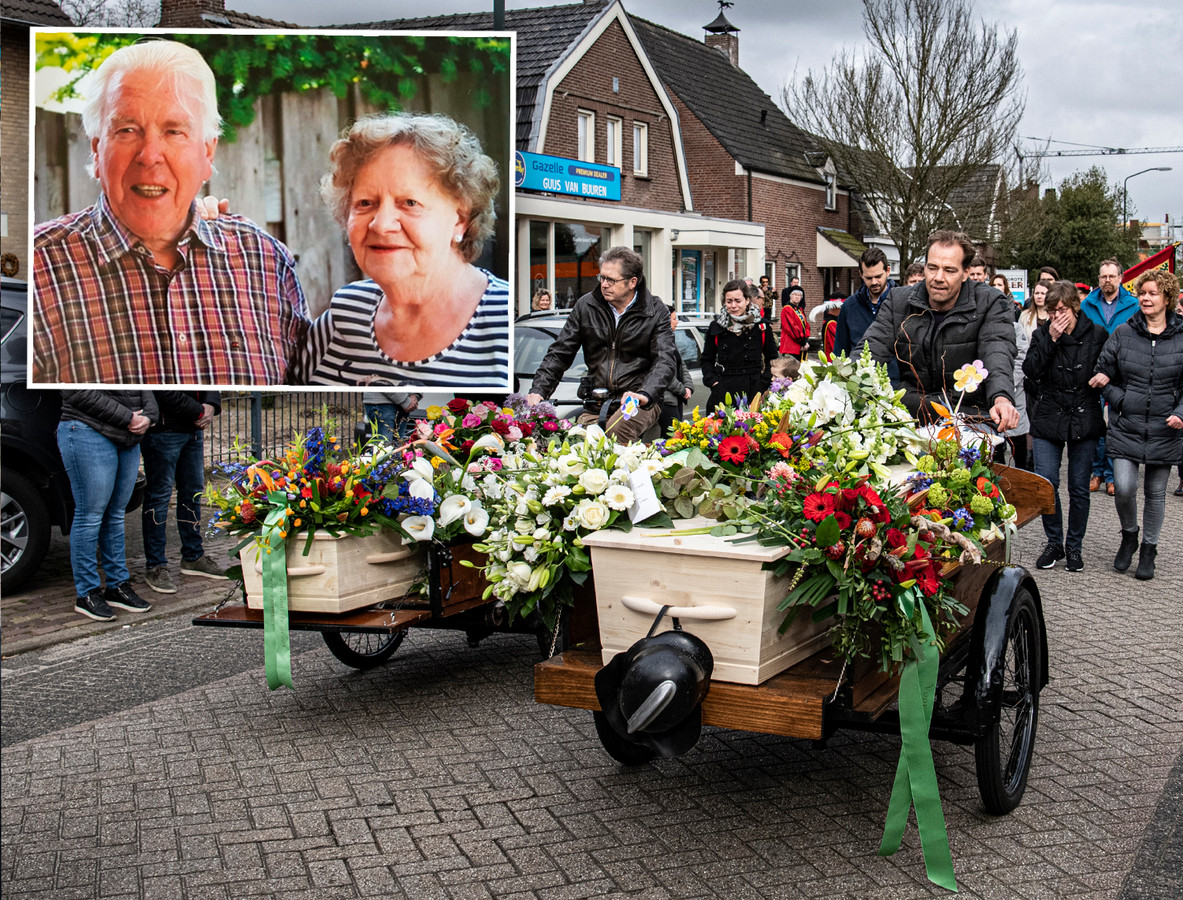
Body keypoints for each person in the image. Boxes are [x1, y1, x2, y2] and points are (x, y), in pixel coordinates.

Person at [32, 41, 309, 385]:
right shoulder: (36, 269)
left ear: (207, 153)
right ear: (96, 149)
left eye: (174, 131)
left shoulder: (267, 263)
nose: (149, 155)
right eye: (127, 130)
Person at [296, 113, 508, 387]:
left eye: (409, 202)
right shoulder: (344, 315)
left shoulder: (503, 323)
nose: (381, 224)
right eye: (365, 203)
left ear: (460, 217)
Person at [857, 230, 1019, 430]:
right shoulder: (897, 302)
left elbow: (997, 351)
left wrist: (1001, 397)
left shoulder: (991, 303)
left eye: (949, 270)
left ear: (966, 272)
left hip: (969, 418)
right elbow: (870, 350)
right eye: (932, 268)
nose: (938, 277)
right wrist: (841, 380)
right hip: (911, 416)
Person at [526, 246, 677, 442]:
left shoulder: (656, 311)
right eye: (602, 278)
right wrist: (538, 391)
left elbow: (664, 361)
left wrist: (645, 394)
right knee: (576, 440)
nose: (604, 284)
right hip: (596, 401)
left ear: (632, 282)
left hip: (637, 401)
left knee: (617, 432)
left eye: (611, 280)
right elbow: (560, 352)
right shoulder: (586, 306)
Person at [1089, 269, 1183, 581]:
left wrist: (1180, 412)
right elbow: (1102, 372)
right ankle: (1129, 534)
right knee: (1124, 488)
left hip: (1164, 429)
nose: (1145, 297)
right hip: (1126, 425)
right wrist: (1121, 398)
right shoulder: (1124, 333)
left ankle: (1149, 549)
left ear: (1167, 299)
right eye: (1142, 293)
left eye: (1153, 293)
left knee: (1156, 493)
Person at [1023, 281, 1107, 572]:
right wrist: (1051, 339)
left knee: (1079, 487)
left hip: (1084, 415)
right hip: (1049, 415)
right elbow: (1031, 370)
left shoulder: (1096, 334)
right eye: (1051, 311)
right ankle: (1054, 542)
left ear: (1074, 307)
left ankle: (1074, 546)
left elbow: (1111, 366)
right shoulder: (1042, 333)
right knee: (1046, 482)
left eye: (1061, 310)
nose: (1056, 316)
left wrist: (1105, 377)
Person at [59, 390, 158, 621]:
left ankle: (117, 586)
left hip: (128, 436)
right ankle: (86, 593)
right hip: (87, 430)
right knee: (90, 515)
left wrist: (150, 416)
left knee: (115, 515)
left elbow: (144, 380)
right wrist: (130, 417)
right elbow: (75, 390)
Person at [140, 391, 225, 594]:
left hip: (193, 429)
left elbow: (208, 375)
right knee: (159, 498)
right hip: (163, 430)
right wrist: (199, 411)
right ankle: (155, 565)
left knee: (193, 493)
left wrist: (212, 403)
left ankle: (193, 556)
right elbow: (160, 389)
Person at [1081, 259, 1138, 496]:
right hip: (1094, 372)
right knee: (1095, 426)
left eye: (1112, 276)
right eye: (1103, 277)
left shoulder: (1132, 305)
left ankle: (1113, 476)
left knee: (1115, 426)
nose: (1107, 280)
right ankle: (1096, 473)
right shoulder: (1087, 304)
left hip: (1121, 374)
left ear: (1121, 278)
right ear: (1098, 280)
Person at [702, 280, 777, 411]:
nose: (733, 305)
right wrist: (713, 382)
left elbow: (773, 359)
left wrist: (763, 384)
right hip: (722, 392)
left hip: (753, 392)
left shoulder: (761, 326)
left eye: (738, 300)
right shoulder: (716, 327)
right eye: (729, 301)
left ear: (747, 300)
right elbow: (706, 359)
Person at [835, 247, 896, 357]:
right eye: (868, 278)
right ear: (861, 274)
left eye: (878, 276)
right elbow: (840, 350)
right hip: (858, 372)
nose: (874, 282)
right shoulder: (849, 306)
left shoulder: (901, 303)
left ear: (887, 271)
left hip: (893, 374)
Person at [658, 309, 694, 435]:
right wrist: (682, 390)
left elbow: (681, 364)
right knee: (672, 438)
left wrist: (688, 386)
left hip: (677, 398)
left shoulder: (670, 340)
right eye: (674, 319)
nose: (677, 322)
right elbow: (662, 374)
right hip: (665, 399)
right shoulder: (657, 343)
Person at [778, 285, 810, 360]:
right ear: (790, 296)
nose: (797, 297)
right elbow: (791, 328)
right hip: (790, 346)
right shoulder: (787, 309)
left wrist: (806, 339)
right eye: (795, 295)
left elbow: (806, 325)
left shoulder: (800, 310)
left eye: (799, 295)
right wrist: (803, 342)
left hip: (800, 346)